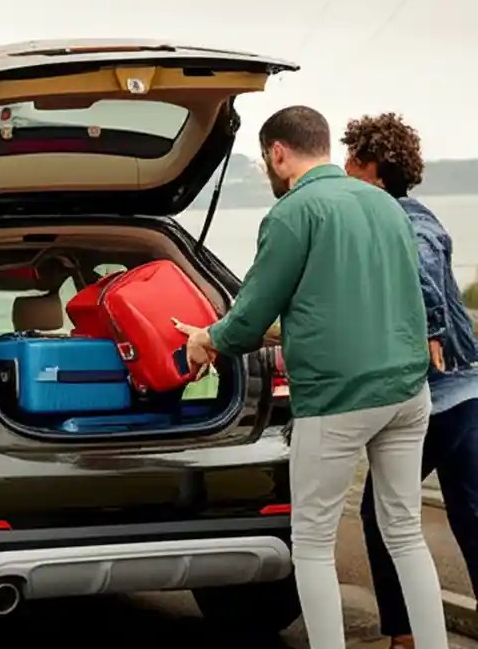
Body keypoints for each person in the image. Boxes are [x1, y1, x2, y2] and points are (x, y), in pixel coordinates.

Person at [174, 105, 447, 649]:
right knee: (406, 533)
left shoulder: (292, 213)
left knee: (315, 544)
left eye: (266, 161)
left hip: (340, 398)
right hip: (408, 393)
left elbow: (250, 316)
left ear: (279, 153)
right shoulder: (386, 206)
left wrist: (206, 340)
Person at [343, 112, 478, 649]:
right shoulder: (417, 212)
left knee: (381, 514)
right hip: (465, 394)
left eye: (352, 159)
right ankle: (405, 633)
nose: (346, 168)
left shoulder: (396, 219)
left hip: (438, 397)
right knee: (470, 514)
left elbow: (420, 266)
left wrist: (433, 326)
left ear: (373, 168)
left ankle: (403, 636)